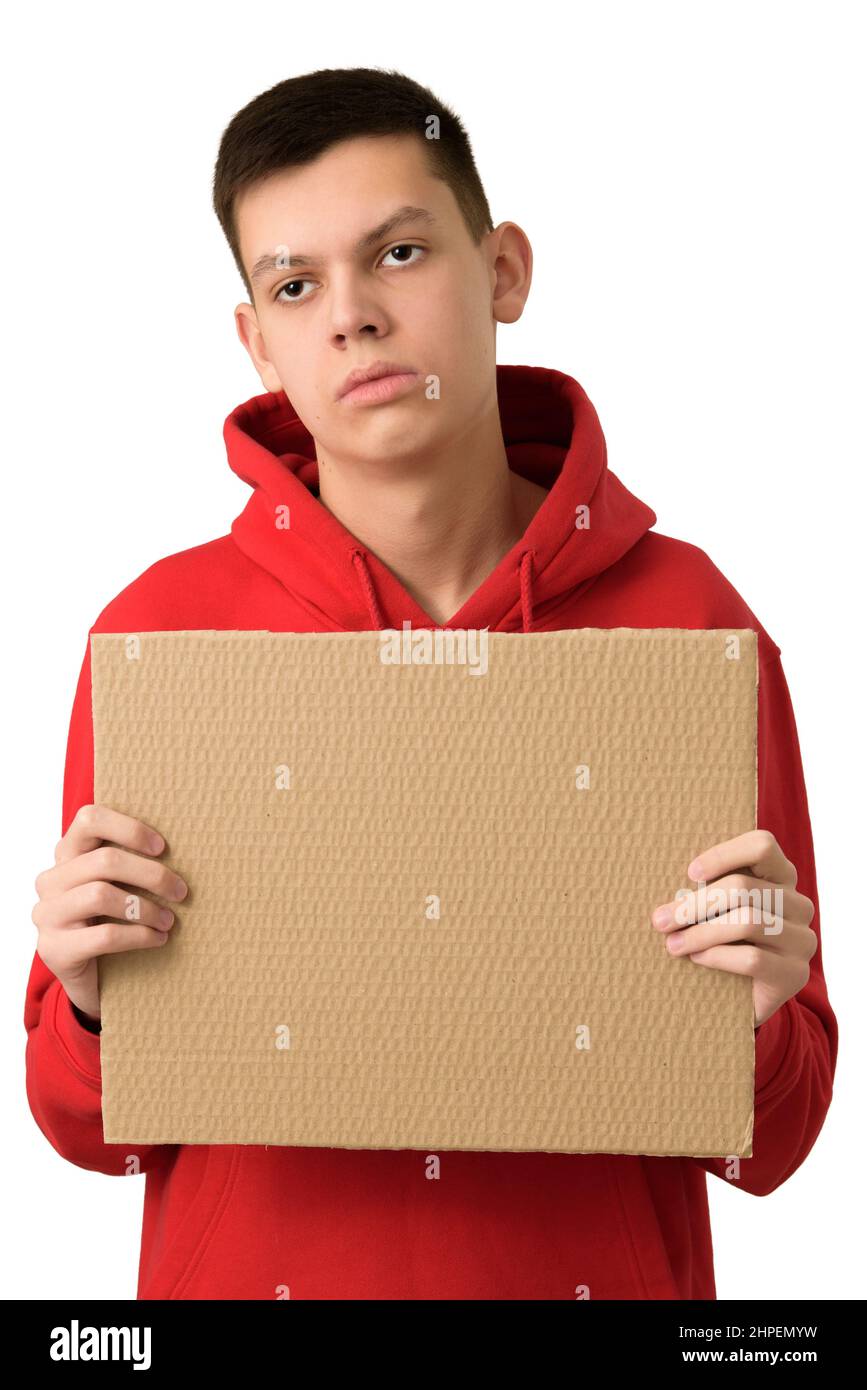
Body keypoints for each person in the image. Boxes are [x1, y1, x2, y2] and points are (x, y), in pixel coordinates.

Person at [25, 66, 837, 1301]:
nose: (350, 315)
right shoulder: (159, 638)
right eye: (295, 284)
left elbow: (777, 1141)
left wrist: (761, 1015)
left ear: (502, 268)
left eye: (398, 253)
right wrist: (89, 1014)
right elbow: (88, 1132)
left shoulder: (693, 625)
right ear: (257, 339)